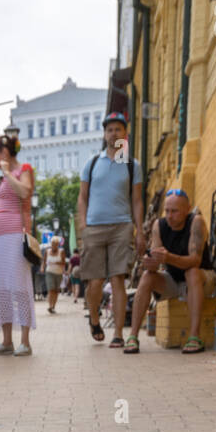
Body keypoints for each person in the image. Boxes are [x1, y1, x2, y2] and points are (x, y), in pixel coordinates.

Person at [77, 111, 143, 349]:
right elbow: (82, 198)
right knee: (94, 283)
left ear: (125, 134)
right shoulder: (92, 163)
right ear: (105, 135)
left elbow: (137, 201)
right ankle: (94, 320)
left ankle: (117, 333)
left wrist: (140, 229)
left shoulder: (132, 165)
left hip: (121, 227)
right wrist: (83, 225)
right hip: (94, 227)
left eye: (118, 129)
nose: (113, 133)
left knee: (118, 281)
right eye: (109, 130)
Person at [124, 189, 216, 354]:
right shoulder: (159, 225)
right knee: (147, 277)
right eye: (167, 210)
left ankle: (194, 336)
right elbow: (156, 261)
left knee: (192, 272)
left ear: (187, 209)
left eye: (174, 211)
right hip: (174, 280)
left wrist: (168, 258)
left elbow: (195, 260)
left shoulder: (196, 222)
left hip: (202, 279)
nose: (169, 215)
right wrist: (149, 263)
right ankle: (133, 336)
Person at [0, 134, 35, 356]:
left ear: (4, 151)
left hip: (15, 234)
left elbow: (25, 191)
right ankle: (6, 340)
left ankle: (25, 341)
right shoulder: (1, 178)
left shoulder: (23, 169)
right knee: (2, 289)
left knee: (19, 287)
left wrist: (6, 172)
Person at [42, 236, 65, 314]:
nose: (54, 245)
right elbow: (44, 261)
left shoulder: (61, 251)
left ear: (58, 244)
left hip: (59, 273)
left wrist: (56, 263)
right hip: (49, 272)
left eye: (55, 244)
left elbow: (64, 263)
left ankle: (53, 306)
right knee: (51, 289)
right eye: (52, 244)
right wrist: (42, 268)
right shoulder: (47, 251)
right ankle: (50, 305)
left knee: (56, 290)